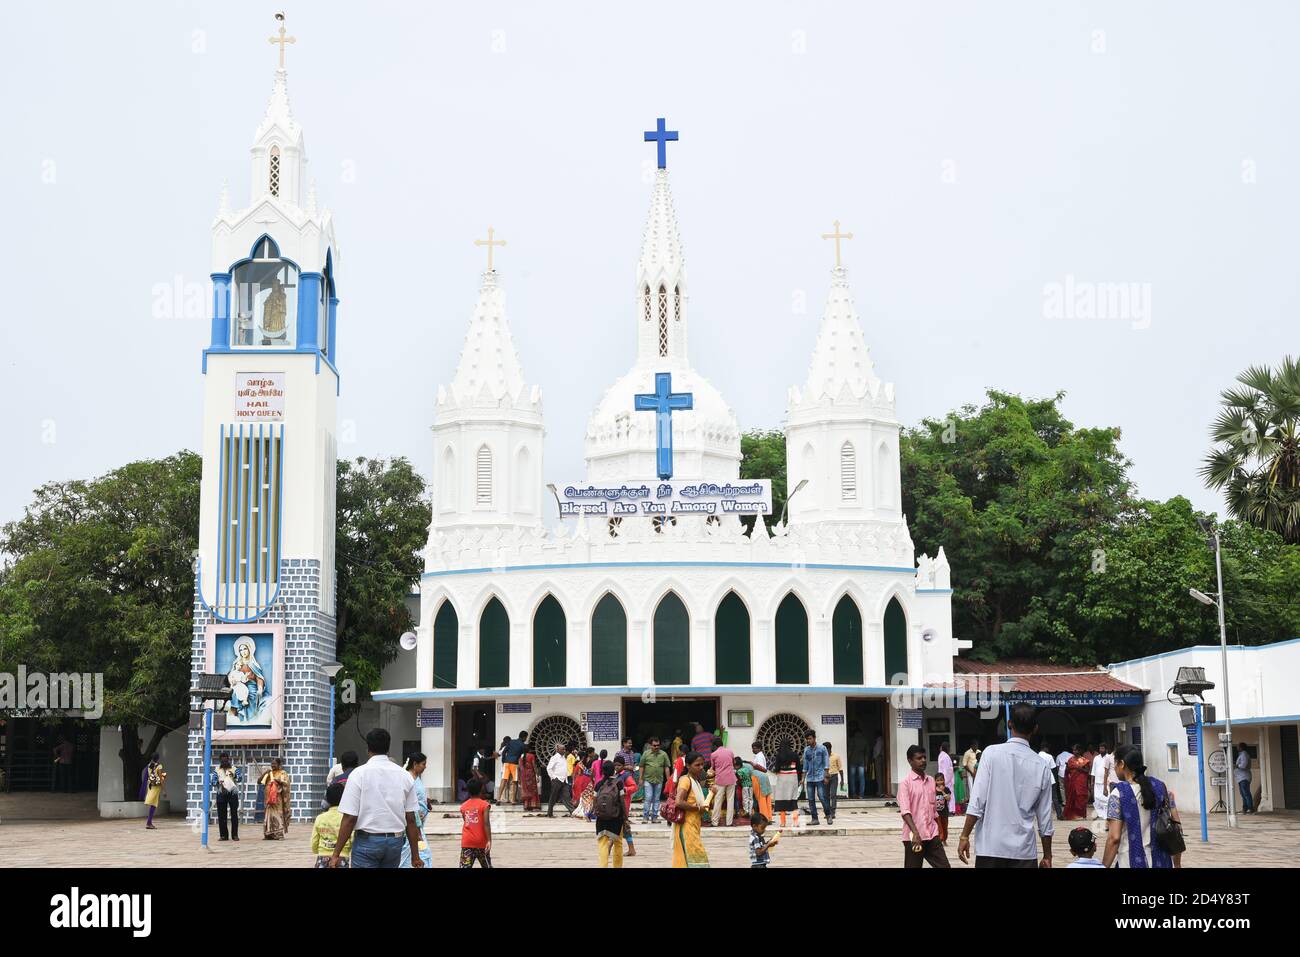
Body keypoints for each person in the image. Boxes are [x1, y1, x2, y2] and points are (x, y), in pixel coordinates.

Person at [957, 704, 1054, 869]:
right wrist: (1047, 855)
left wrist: (964, 836)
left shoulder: (990, 754)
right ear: (1035, 729)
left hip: (991, 846)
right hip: (1023, 850)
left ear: (1009, 724)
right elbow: (1045, 818)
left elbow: (977, 801)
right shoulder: (1041, 765)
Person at [330, 727, 424, 869]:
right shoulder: (404, 776)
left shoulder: (358, 774)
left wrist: (336, 854)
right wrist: (415, 856)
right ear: (388, 748)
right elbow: (411, 819)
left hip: (367, 842)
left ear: (368, 748)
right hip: (394, 843)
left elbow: (349, 819)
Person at [1102, 745, 1181, 869]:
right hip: (1161, 861)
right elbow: (1175, 827)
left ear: (1122, 764)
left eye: (1116, 764)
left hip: (1130, 861)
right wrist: (1177, 864)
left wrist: (1104, 866)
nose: (1115, 768)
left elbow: (1114, 838)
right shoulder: (1160, 787)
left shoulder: (1118, 794)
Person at [899, 745, 950, 868]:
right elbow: (905, 811)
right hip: (914, 837)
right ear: (910, 761)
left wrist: (939, 830)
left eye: (924, 757)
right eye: (919, 758)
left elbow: (933, 810)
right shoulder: (905, 784)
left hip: (932, 835)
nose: (923, 760)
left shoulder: (931, 781)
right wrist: (916, 833)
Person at [670, 751, 710, 868]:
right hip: (686, 826)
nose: (701, 767)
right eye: (697, 765)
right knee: (697, 858)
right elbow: (679, 801)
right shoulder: (685, 780)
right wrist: (697, 808)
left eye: (702, 764)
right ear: (688, 765)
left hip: (694, 825)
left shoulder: (695, 781)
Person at [400, 752, 434, 868]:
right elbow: (410, 806)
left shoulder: (416, 779)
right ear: (415, 764)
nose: (425, 767)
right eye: (423, 764)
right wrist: (417, 829)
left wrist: (426, 801)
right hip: (413, 826)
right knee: (423, 854)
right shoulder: (408, 779)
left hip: (418, 825)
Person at [594, 760, 629, 868]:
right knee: (618, 843)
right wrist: (625, 816)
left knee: (602, 844)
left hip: (601, 818)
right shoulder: (619, 783)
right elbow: (622, 801)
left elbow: (594, 800)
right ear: (613, 770)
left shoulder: (598, 784)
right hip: (616, 818)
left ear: (602, 771)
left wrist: (597, 812)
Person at [312, 782, 353, 868]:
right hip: (342, 857)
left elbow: (314, 841)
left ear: (327, 799)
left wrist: (318, 850)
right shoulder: (347, 819)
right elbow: (353, 839)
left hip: (323, 856)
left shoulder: (320, 818)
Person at [460, 778, 493, 868]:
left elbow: (466, 821)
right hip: (481, 842)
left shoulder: (463, 806)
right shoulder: (484, 805)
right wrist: (489, 840)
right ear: (481, 789)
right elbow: (486, 823)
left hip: (467, 842)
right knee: (487, 865)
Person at [210, 753, 243, 842]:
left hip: (233, 793)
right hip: (221, 793)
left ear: (228, 759)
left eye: (226, 760)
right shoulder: (216, 770)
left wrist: (234, 776)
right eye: (222, 760)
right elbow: (212, 782)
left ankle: (235, 835)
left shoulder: (234, 769)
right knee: (221, 816)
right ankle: (223, 836)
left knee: (234, 815)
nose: (224, 762)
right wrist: (217, 782)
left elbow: (240, 778)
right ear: (220, 760)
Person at [801, 732, 831, 825]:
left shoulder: (822, 748)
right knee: (810, 799)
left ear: (814, 738)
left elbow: (826, 763)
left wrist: (826, 776)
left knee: (822, 797)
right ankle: (815, 819)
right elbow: (805, 765)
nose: (808, 740)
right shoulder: (806, 750)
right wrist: (803, 779)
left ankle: (828, 815)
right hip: (810, 778)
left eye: (810, 738)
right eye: (807, 739)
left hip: (820, 777)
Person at [257, 758, 291, 840]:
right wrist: (265, 773)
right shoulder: (269, 773)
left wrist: (278, 781)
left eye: (274, 764)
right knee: (268, 816)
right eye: (272, 764)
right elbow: (259, 781)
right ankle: (268, 834)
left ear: (279, 765)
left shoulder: (283, 773)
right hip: (268, 798)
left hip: (277, 799)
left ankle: (279, 834)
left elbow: (286, 784)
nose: (273, 766)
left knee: (277, 815)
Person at [639, 736, 670, 823]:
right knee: (648, 798)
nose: (656, 747)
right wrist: (640, 778)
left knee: (656, 799)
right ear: (650, 745)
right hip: (648, 780)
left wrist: (668, 780)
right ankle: (645, 817)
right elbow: (641, 766)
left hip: (659, 780)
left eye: (658, 745)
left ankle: (654, 817)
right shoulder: (646, 754)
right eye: (654, 745)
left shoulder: (663, 754)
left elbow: (666, 767)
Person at [710, 735, 738, 826]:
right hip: (731, 778)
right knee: (730, 800)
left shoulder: (713, 754)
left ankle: (715, 822)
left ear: (714, 746)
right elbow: (733, 764)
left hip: (720, 779)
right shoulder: (730, 752)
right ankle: (729, 823)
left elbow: (713, 768)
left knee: (718, 800)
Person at [771, 747, 801, 828]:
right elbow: (799, 768)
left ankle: (783, 822)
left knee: (782, 800)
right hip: (793, 779)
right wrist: (800, 779)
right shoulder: (795, 755)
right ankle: (795, 822)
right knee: (793, 800)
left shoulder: (779, 755)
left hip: (782, 779)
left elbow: (777, 769)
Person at [1063, 744, 1090, 820]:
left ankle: (1083, 815)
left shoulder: (1084, 760)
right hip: (1073, 782)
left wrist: (1079, 768)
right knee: (1072, 798)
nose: (1074, 751)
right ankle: (1074, 815)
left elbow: (1087, 771)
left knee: (1081, 798)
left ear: (1080, 751)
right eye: (1074, 750)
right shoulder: (1070, 760)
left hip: (1081, 782)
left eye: (1076, 750)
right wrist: (1067, 768)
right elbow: (1067, 770)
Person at [500, 732, 528, 805]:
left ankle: (498, 798)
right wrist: (524, 765)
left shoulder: (511, 742)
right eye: (526, 737)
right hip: (514, 764)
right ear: (524, 737)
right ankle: (513, 800)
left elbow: (504, 752)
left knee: (504, 780)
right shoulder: (522, 745)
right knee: (514, 782)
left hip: (506, 763)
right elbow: (524, 757)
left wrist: (503, 760)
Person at [546, 742, 573, 816]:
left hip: (564, 780)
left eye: (564, 749)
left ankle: (572, 811)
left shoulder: (564, 758)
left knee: (567, 796)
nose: (564, 750)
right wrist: (554, 777)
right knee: (553, 797)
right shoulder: (554, 758)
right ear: (557, 750)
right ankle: (549, 813)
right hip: (557, 780)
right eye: (562, 749)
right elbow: (549, 768)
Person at [141, 754, 166, 830]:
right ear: (158, 758)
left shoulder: (148, 765)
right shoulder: (159, 766)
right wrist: (164, 790)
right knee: (154, 804)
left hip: (150, 786)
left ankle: (149, 822)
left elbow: (148, 777)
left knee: (153, 804)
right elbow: (161, 778)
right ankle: (149, 823)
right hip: (156, 787)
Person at [1091, 742, 1114, 819]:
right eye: (1100, 748)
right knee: (1097, 799)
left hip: (1106, 782)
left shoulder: (1109, 757)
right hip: (1097, 782)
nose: (1101, 750)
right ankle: (1099, 814)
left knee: (1106, 799)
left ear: (1106, 749)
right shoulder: (1096, 758)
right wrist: (1092, 782)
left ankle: (1106, 815)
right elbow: (1093, 771)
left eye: (1102, 748)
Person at [847, 722, 868, 799]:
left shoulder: (852, 740)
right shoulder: (864, 740)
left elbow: (850, 751)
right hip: (862, 762)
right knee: (862, 778)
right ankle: (861, 795)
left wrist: (847, 760)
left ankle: (853, 794)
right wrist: (866, 764)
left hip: (852, 761)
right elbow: (866, 754)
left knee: (852, 778)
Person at [824, 741, 843, 822]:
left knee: (833, 794)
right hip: (825, 777)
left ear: (829, 749)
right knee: (826, 795)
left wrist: (842, 780)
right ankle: (828, 813)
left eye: (825, 749)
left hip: (834, 777)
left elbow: (840, 769)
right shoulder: (822, 757)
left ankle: (833, 812)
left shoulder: (836, 756)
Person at [520, 742, 541, 812]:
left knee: (526, 790)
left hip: (523, 775)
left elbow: (520, 767)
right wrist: (537, 775)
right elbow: (534, 766)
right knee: (533, 790)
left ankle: (526, 806)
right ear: (529, 749)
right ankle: (534, 806)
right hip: (530, 775)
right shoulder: (531, 756)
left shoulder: (521, 756)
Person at [936, 740, 955, 816]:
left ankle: (948, 810)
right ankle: (950, 810)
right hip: (947, 779)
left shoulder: (941, 755)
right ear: (947, 748)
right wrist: (946, 780)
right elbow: (947, 770)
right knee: (949, 794)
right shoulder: (946, 757)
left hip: (942, 778)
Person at [1235, 743, 1254, 814]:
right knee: (1243, 794)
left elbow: (1243, 765)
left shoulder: (1244, 755)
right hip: (1241, 777)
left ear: (1241, 747)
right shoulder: (1241, 754)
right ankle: (1245, 808)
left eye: (1238, 746)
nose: (1237, 747)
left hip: (1244, 777)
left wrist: (1237, 766)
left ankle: (1250, 808)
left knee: (1246, 793)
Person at [960, 740, 979, 806]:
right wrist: (971, 772)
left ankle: (977, 802)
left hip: (978, 773)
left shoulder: (979, 752)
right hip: (970, 773)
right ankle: (972, 803)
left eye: (977, 745)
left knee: (978, 787)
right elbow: (964, 764)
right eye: (975, 745)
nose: (976, 747)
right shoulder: (967, 753)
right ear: (971, 746)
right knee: (971, 787)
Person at [1055, 745, 1072, 818]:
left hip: (1061, 773)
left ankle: (1064, 802)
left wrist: (1058, 773)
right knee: (1069, 787)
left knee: (1062, 788)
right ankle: (1070, 801)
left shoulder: (1058, 756)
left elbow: (1057, 766)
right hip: (1069, 774)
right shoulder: (1072, 755)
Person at [934, 771, 951, 844]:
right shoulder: (933, 790)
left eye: (941, 780)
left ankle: (944, 839)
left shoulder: (946, 789)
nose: (939, 782)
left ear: (944, 780)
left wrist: (943, 791)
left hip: (944, 812)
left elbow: (948, 799)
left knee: (945, 826)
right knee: (939, 827)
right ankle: (940, 840)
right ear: (935, 781)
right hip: (936, 813)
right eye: (937, 780)